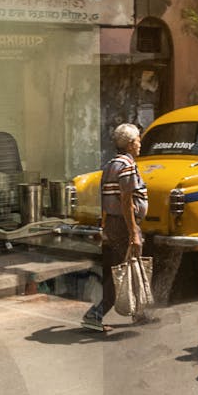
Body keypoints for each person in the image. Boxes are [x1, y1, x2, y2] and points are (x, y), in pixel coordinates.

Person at [81, 122, 150, 333]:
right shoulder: (127, 166)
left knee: (127, 266)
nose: (140, 144)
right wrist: (134, 233)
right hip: (123, 224)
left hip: (113, 223)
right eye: (138, 140)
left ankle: (139, 314)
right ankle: (95, 315)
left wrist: (104, 226)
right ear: (130, 144)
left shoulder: (111, 164)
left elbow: (106, 198)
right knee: (121, 271)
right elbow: (126, 201)